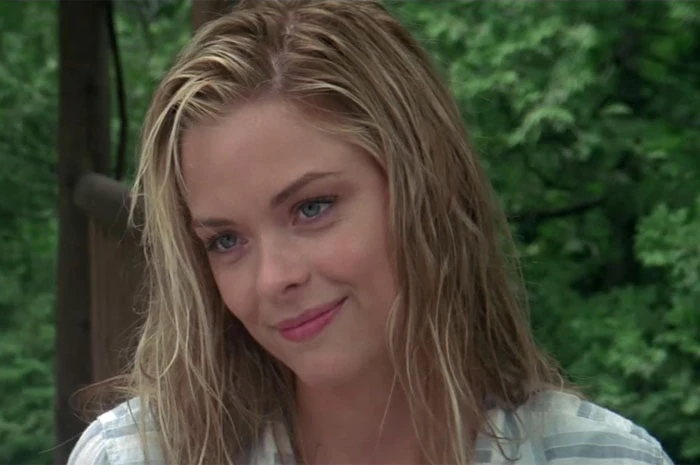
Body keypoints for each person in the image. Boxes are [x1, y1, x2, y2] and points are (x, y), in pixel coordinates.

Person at [68, 1, 674, 464]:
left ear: (429, 187)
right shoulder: (134, 456)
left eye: (312, 208)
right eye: (225, 241)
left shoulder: (603, 458)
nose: (274, 279)